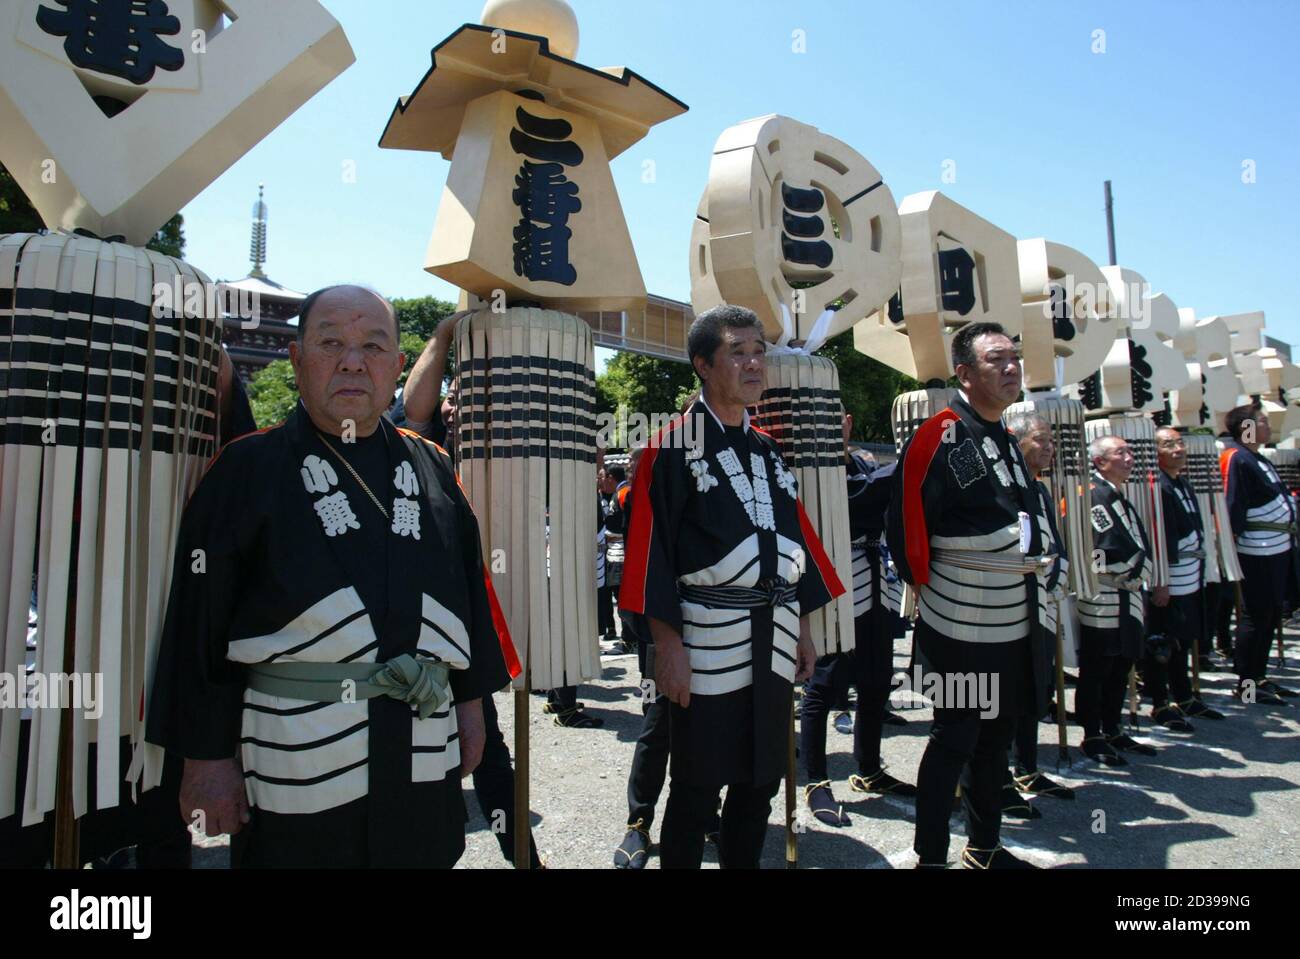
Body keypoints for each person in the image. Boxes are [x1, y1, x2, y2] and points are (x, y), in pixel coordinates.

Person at [147, 285, 515, 868]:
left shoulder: (433, 466)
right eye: (331, 344)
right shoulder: (246, 468)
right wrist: (206, 758)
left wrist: (471, 708)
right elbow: (199, 621)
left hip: (420, 737)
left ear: (397, 365)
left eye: (373, 346)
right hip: (302, 748)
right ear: (295, 358)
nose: (352, 361)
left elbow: (467, 592)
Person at [619, 305, 844, 869]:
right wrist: (667, 648)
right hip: (706, 639)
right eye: (737, 353)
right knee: (698, 783)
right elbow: (652, 556)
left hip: (773, 631)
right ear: (703, 364)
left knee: (762, 778)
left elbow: (798, 545)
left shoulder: (768, 450)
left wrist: (805, 633)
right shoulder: (666, 449)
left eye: (758, 351)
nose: (753, 364)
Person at [886, 321, 1054, 870]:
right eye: (996, 361)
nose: (1011, 368)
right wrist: (936, 588)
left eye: (1014, 358)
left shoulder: (1004, 436)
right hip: (962, 617)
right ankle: (931, 855)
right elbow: (906, 527)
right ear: (965, 373)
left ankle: (983, 847)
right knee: (954, 737)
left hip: (1011, 616)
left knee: (994, 740)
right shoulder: (939, 433)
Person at [390, 310, 543, 868]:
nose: (458, 404)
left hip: (475, 620)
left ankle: (523, 856)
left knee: (490, 752)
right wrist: (445, 336)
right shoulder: (417, 447)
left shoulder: (509, 444)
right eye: (458, 393)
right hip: (414, 626)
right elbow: (416, 408)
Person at [802, 411, 914, 829]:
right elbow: (853, 500)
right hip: (838, 582)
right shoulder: (816, 471)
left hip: (876, 579)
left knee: (876, 681)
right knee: (824, 686)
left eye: (838, 419)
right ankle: (816, 780)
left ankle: (869, 767)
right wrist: (908, 463)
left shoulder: (864, 464)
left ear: (848, 422)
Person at [1002, 411, 1074, 808]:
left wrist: (1057, 573)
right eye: (1041, 440)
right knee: (1007, 691)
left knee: (1036, 684)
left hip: (1044, 598)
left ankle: (1027, 765)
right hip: (1015, 602)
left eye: (1051, 442)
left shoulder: (1041, 490)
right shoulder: (1008, 488)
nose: (1049, 448)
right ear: (1018, 440)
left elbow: (1054, 544)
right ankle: (1001, 776)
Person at [612, 446, 675, 868]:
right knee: (657, 721)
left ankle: (709, 813)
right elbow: (624, 517)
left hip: (716, 623)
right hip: (657, 622)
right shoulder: (643, 485)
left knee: (711, 725)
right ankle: (639, 820)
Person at [1076, 436, 1155, 766]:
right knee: (1099, 667)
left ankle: (1113, 726)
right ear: (1099, 461)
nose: (1129, 457)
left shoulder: (1118, 493)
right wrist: (1134, 565)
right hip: (1104, 591)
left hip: (1128, 592)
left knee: (1122, 664)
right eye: (1119, 452)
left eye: (1129, 452)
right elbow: (1099, 546)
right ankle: (1093, 734)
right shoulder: (1092, 494)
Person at [1220, 403, 1298, 706]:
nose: (1267, 426)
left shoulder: (1260, 459)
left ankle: (1260, 677)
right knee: (1256, 615)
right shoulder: (1238, 458)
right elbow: (1234, 505)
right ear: (1247, 428)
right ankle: (1247, 685)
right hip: (1257, 548)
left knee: (1271, 615)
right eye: (1262, 421)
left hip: (1278, 547)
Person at [1147, 428, 1225, 727]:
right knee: (1164, 640)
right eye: (1169, 444)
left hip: (1191, 573)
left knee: (1184, 636)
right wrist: (1161, 579)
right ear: (1156, 452)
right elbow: (1161, 536)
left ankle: (1186, 695)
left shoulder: (1181, 483)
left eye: (1180, 443)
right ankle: (1160, 701)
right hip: (1172, 574)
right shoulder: (1159, 486)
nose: (1178, 449)